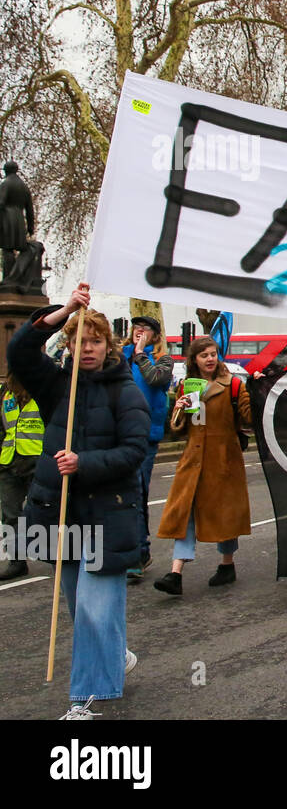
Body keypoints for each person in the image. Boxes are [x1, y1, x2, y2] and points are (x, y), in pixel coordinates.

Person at [10, 283, 149, 719]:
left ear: (108, 345)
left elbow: (134, 451)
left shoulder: (125, 390)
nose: (87, 348)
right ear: (68, 344)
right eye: (79, 340)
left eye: (95, 341)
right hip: (61, 515)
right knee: (79, 607)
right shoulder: (56, 385)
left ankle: (87, 699)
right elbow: (19, 353)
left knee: (93, 606)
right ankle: (116, 655)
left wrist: (83, 462)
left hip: (109, 515)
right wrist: (66, 308)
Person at [153, 336, 252, 596]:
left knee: (225, 514)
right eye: (204, 355)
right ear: (194, 360)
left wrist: (260, 390)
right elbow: (179, 428)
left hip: (223, 460)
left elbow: (249, 415)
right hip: (193, 461)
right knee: (184, 513)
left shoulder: (233, 384)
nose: (210, 359)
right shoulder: (188, 385)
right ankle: (175, 573)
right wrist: (179, 408)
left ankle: (226, 564)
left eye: (213, 354)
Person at [121, 314, 174, 583]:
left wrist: (141, 354)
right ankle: (126, 550)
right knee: (121, 494)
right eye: (136, 328)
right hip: (118, 432)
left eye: (145, 330)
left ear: (154, 335)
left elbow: (155, 380)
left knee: (138, 490)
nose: (138, 332)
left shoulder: (163, 359)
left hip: (144, 435)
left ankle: (140, 553)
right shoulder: (119, 356)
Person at [0, 371, 42, 580]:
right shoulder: (4, 392)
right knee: (9, 514)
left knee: (40, 512)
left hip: (38, 459)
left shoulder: (42, 388)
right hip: (9, 461)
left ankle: (64, 554)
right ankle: (16, 561)